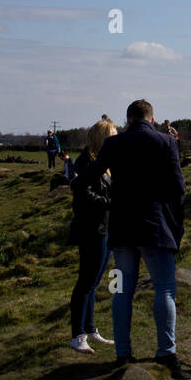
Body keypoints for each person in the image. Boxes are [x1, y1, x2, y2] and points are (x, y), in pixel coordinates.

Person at [89, 99, 191, 380]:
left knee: (121, 291)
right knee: (165, 289)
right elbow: (179, 189)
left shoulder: (113, 144)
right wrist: (176, 223)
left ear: (128, 120)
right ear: (152, 119)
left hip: (121, 229)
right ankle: (166, 352)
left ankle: (123, 352)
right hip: (155, 227)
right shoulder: (166, 143)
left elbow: (87, 177)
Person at [67, 117, 117, 354]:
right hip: (91, 229)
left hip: (103, 227)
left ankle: (89, 328)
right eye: (113, 136)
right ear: (103, 139)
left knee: (94, 281)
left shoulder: (103, 161)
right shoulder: (85, 162)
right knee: (85, 282)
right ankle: (77, 335)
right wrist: (110, 202)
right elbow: (83, 196)